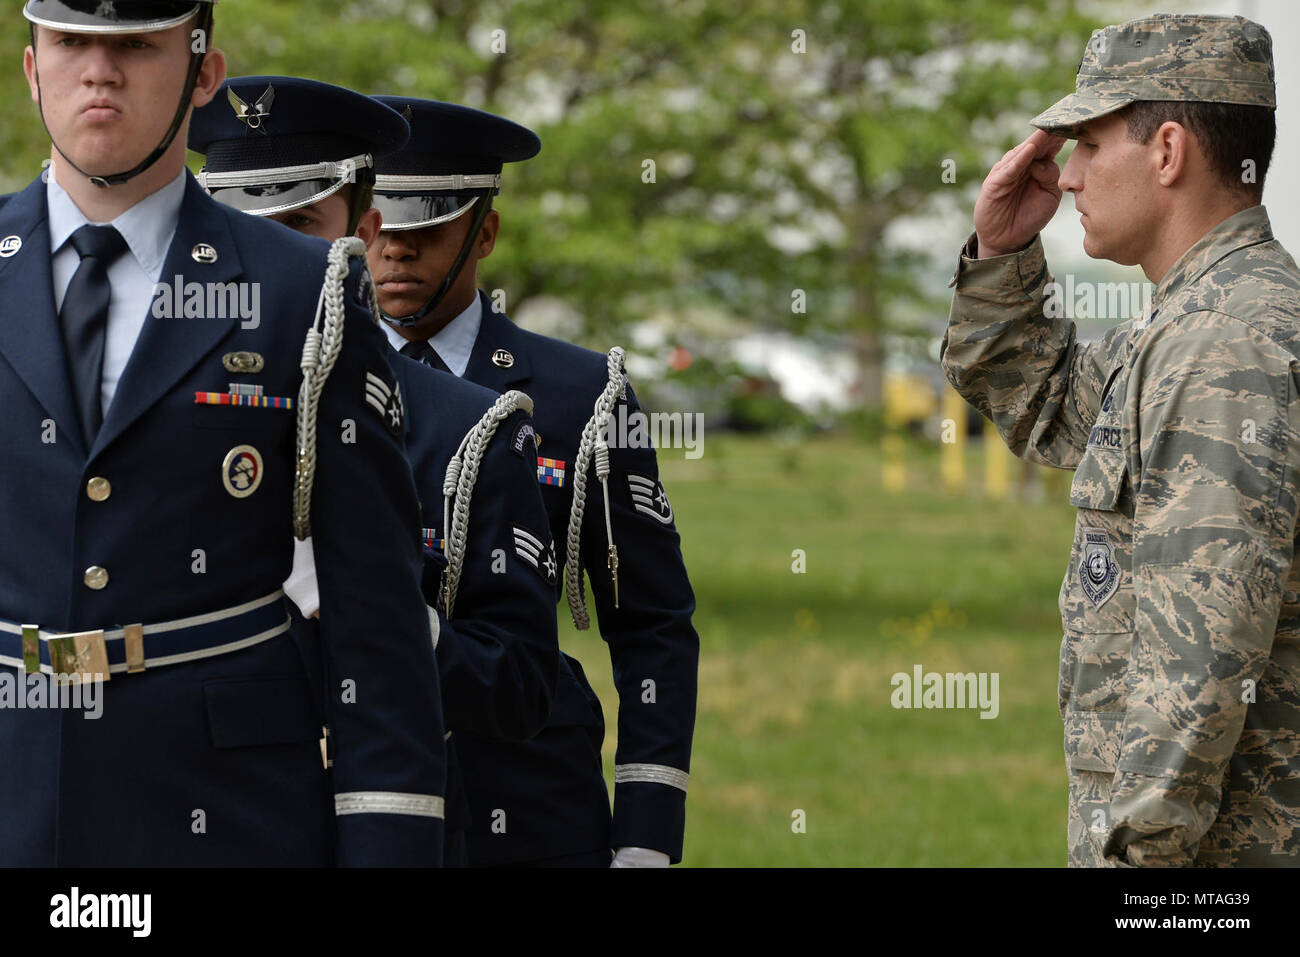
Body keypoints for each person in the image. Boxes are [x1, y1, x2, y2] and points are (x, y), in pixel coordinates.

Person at [1, 0, 446, 865]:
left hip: (220, 811)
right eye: (71, 45)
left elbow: (377, 621)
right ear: (31, 71)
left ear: (204, 74)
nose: (100, 71)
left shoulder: (304, 290)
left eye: (135, 45)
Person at [942, 13, 1298, 866]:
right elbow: (1046, 403)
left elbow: (1198, 667)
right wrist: (1000, 250)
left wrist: (1136, 871)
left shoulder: (1224, 341)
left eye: (1089, 145)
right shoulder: (1191, 321)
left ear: (1168, 151)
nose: (1066, 179)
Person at [189, 75, 562, 866]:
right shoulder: (161, 413)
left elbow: (524, 684)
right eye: (235, 224)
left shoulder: (471, 429)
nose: (262, 256)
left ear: (363, 228)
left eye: (295, 225)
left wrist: (392, 623)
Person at [367, 97, 700, 867]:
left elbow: (652, 623)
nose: (396, 255)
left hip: (528, 790)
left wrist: (648, 833)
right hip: (364, 781)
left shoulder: (579, 393)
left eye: (424, 232)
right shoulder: (318, 380)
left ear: (484, 232)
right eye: (379, 231)